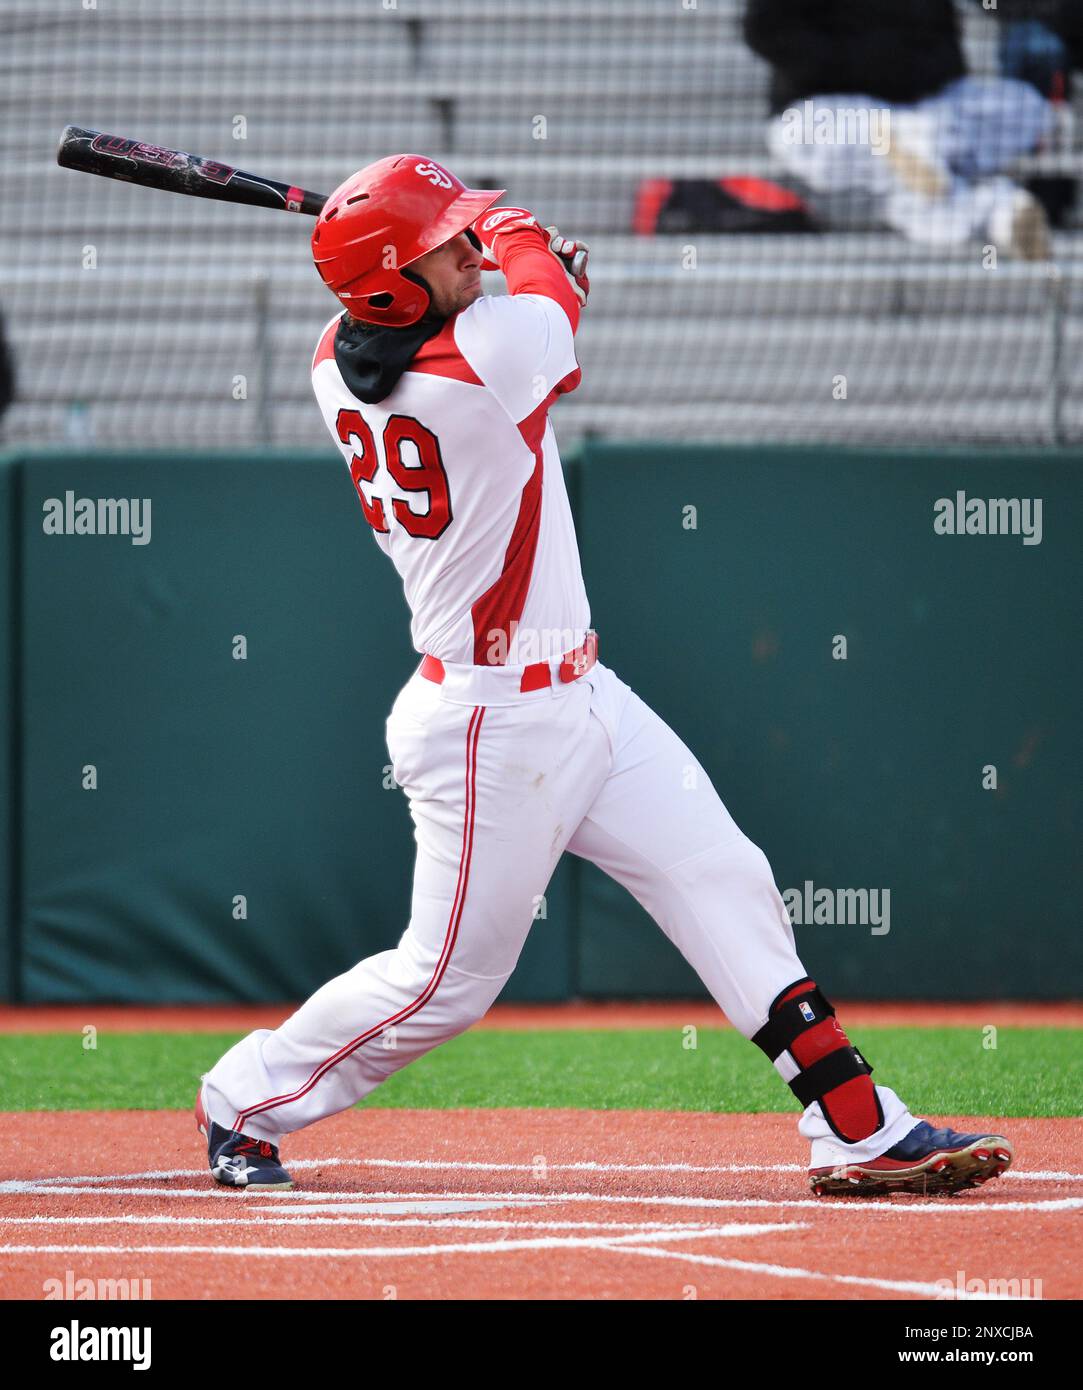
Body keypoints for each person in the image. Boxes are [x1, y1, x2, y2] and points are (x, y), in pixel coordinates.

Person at [196, 153, 1013, 1198]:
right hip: (492, 727)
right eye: (441, 248)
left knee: (726, 874)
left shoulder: (337, 354)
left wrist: (462, 244)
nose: (463, 251)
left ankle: (856, 1124)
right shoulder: (478, 361)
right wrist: (515, 235)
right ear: (394, 286)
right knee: (445, 981)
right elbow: (537, 293)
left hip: (582, 695)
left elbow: (513, 299)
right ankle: (243, 1100)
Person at [745, 0, 1057, 258]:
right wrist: (864, 65)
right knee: (798, 133)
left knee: (1026, 108)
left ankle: (922, 157)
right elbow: (764, 30)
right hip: (832, 107)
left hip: (931, 106)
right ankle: (999, 211)